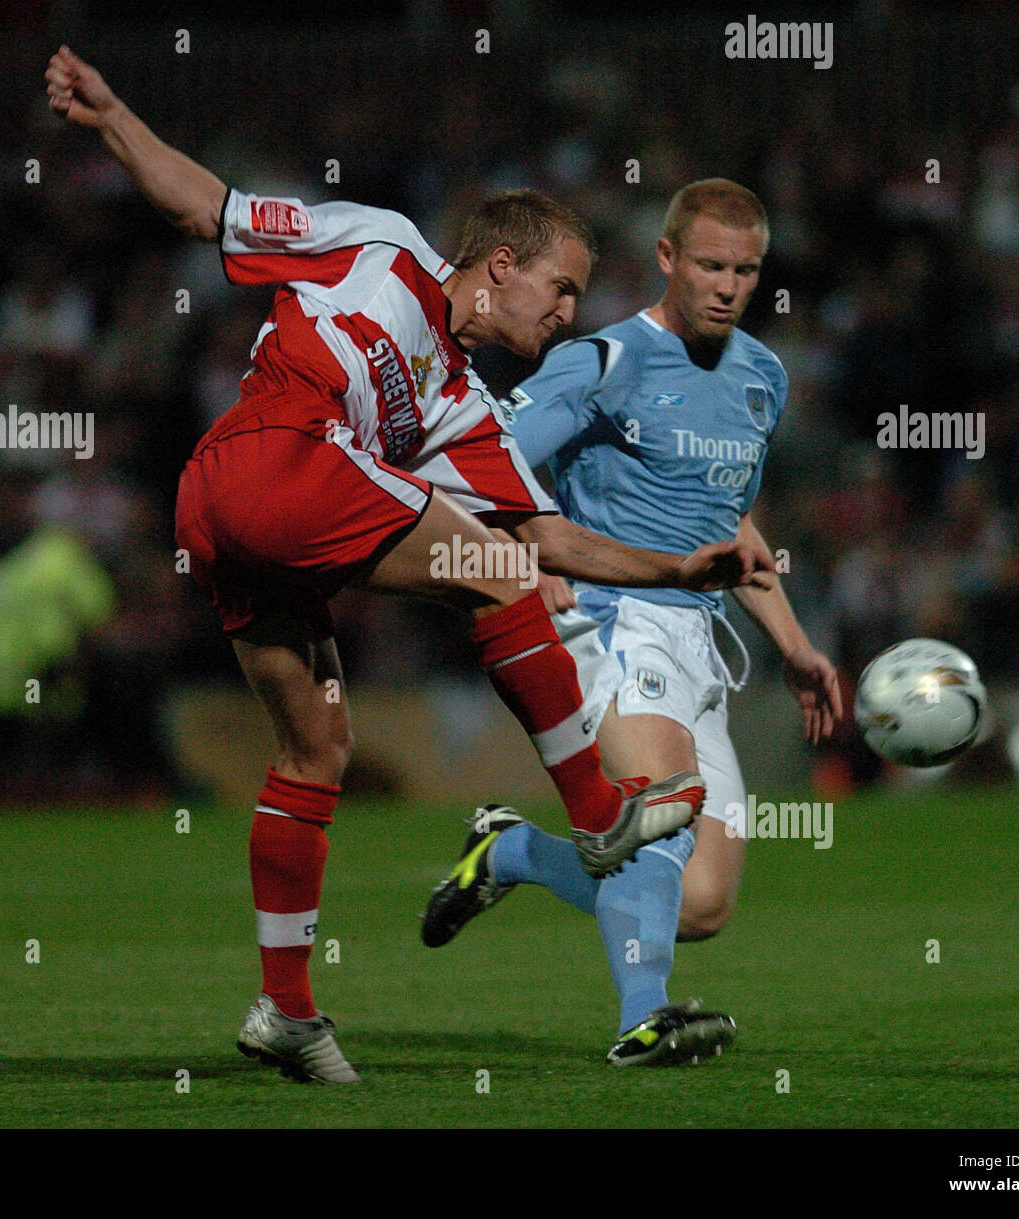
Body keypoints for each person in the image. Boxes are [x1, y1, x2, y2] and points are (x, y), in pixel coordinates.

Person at [45, 50, 772, 1084]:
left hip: (242, 515)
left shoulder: (465, 413)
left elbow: (549, 537)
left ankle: (285, 1010)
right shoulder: (380, 244)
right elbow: (209, 208)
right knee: (498, 576)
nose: (567, 314)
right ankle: (601, 821)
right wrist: (114, 116)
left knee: (316, 748)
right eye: (561, 290)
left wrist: (676, 568)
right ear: (502, 265)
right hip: (264, 457)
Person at [420, 179, 842, 1066]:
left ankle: (515, 854)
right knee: (661, 809)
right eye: (711, 265)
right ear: (667, 258)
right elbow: (480, 464)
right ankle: (641, 1023)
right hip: (611, 618)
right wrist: (525, 561)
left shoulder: (763, 376)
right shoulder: (602, 363)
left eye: (747, 270)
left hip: (698, 635)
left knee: (702, 904)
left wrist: (796, 645)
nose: (727, 285)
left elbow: (724, 525)